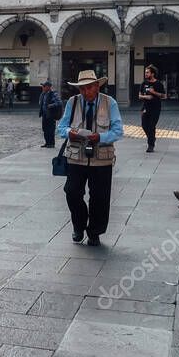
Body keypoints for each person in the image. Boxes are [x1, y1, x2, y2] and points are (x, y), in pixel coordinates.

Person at [57, 70, 124, 246]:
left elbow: (118, 131)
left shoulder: (110, 103)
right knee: (71, 191)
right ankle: (79, 226)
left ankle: (94, 231)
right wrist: (68, 133)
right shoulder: (73, 102)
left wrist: (100, 137)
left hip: (101, 158)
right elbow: (61, 126)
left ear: (97, 86)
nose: (86, 92)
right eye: (82, 89)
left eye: (89, 88)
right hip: (76, 157)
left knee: (100, 197)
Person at [138, 65, 166, 153]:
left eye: (147, 72)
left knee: (151, 126)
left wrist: (154, 93)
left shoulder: (158, 84)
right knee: (144, 125)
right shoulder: (143, 83)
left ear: (152, 74)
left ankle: (151, 145)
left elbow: (164, 96)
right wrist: (146, 97)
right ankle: (152, 138)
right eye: (145, 72)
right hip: (145, 107)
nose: (146, 74)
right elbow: (139, 96)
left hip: (155, 108)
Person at [38, 80, 62, 148]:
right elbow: (41, 102)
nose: (42, 87)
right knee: (45, 129)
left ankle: (51, 143)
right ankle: (47, 142)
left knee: (51, 129)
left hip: (51, 114)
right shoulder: (43, 93)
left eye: (44, 86)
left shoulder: (53, 93)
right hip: (44, 114)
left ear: (48, 87)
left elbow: (59, 103)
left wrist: (50, 105)